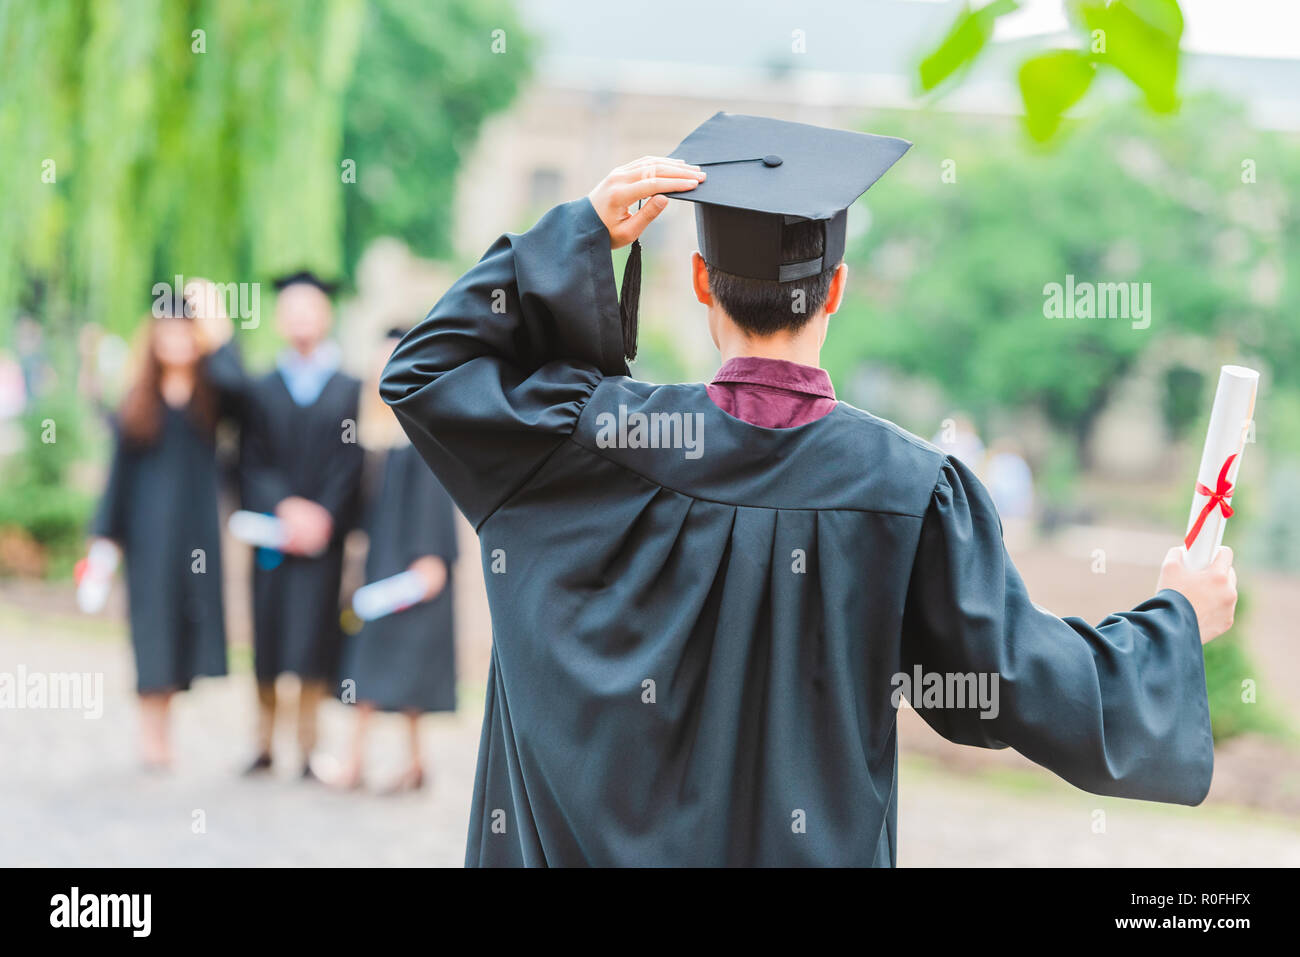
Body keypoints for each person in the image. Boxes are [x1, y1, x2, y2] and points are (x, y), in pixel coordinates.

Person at [380, 113, 1238, 866]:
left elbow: (427, 371)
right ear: (836, 289)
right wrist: (1178, 619)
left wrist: (577, 234)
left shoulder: (588, 442)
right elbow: (1029, 684)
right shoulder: (910, 492)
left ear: (700, 281)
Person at [89, 283, 243, 769]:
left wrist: (220, 328)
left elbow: (245, 391)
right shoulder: (138, 399)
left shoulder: (211, 396)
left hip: (195, 533)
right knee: (150, 627)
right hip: (147, 535)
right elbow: (118, 475)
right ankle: (149, 734)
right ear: (153, 340)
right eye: (168, 333)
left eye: (186, 333)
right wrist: (104, 537)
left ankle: (165, 730)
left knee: (181, 628)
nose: (176, 342)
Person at [239, 271, 364, 780]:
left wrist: (324, 517)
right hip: (272, 534)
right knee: (266, 635)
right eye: (291, 309)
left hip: (323, 541)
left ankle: (310, 747)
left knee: (315, 637)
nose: (300, 318)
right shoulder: (261, 387)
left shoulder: (351, 388)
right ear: (279, 319)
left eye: (309, 308)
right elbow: (248, 460)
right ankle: (264, 744)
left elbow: (351, 462)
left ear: (326, 315)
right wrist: (285, 507)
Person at [334, 328, 460, 793]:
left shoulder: (423, 428)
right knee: (383, 662)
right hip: (384, 561)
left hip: (412, 563)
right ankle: (408, 762)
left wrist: (432, 557)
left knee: (401, 665)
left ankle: (365, 762)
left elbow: (436, 499)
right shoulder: (375, 435)